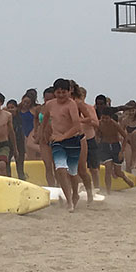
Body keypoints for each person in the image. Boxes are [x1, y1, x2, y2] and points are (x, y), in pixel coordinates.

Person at [39, 79, 93, 211]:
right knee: (61, 169)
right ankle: (69, 201)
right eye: (58, 92)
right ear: (54, 92)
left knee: (76, 172)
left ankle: (81, 193)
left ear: (69, 91)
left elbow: (77, 125)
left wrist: (63, 136)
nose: (61, 95)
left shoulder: (73, 104)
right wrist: (42, 132)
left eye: (64, 92)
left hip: (74, 140)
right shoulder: (50, 104)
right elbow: (44, 118)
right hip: (57, 141)